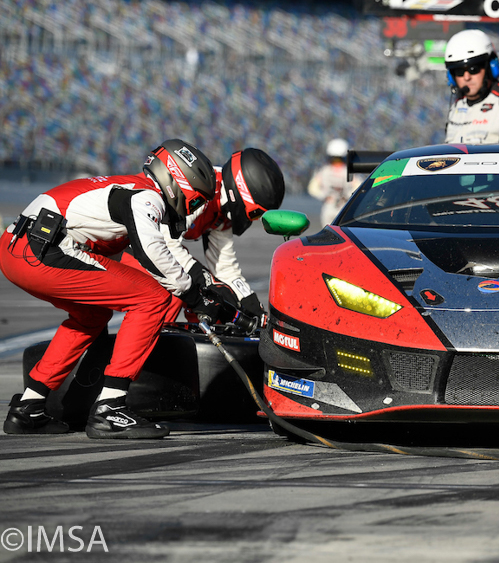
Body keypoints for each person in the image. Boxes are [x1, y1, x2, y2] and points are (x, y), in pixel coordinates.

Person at [1, 140, 224, 439]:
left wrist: (193, 285)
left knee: (92, 316)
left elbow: (133, 261)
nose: (194, 210)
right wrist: (193, 296)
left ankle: (28, 407)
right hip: (41, 249)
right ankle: (111, 408)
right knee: (154, 299)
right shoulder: (145, 197)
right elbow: (152, 253)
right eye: (196, 201)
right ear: (177, 182)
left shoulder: (128, 188)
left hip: (22, 247)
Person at [158, 148, 285, 328]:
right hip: (127, 239)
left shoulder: (223, 209)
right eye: (255, 214)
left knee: (214, 299)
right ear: (242, 192)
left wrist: (249, 301)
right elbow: (165, 244)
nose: (252, 220)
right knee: (173, 292)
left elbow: (223, 267)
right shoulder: (201, 189)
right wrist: (205, 280)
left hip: (147, 246)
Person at [309, 138, 363, 227]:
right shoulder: (348, 172)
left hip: (329, 206)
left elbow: (313, 188)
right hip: (344, 207)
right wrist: (349, 196)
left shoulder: (324, 170)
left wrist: (324, 196)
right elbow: (359, 186)